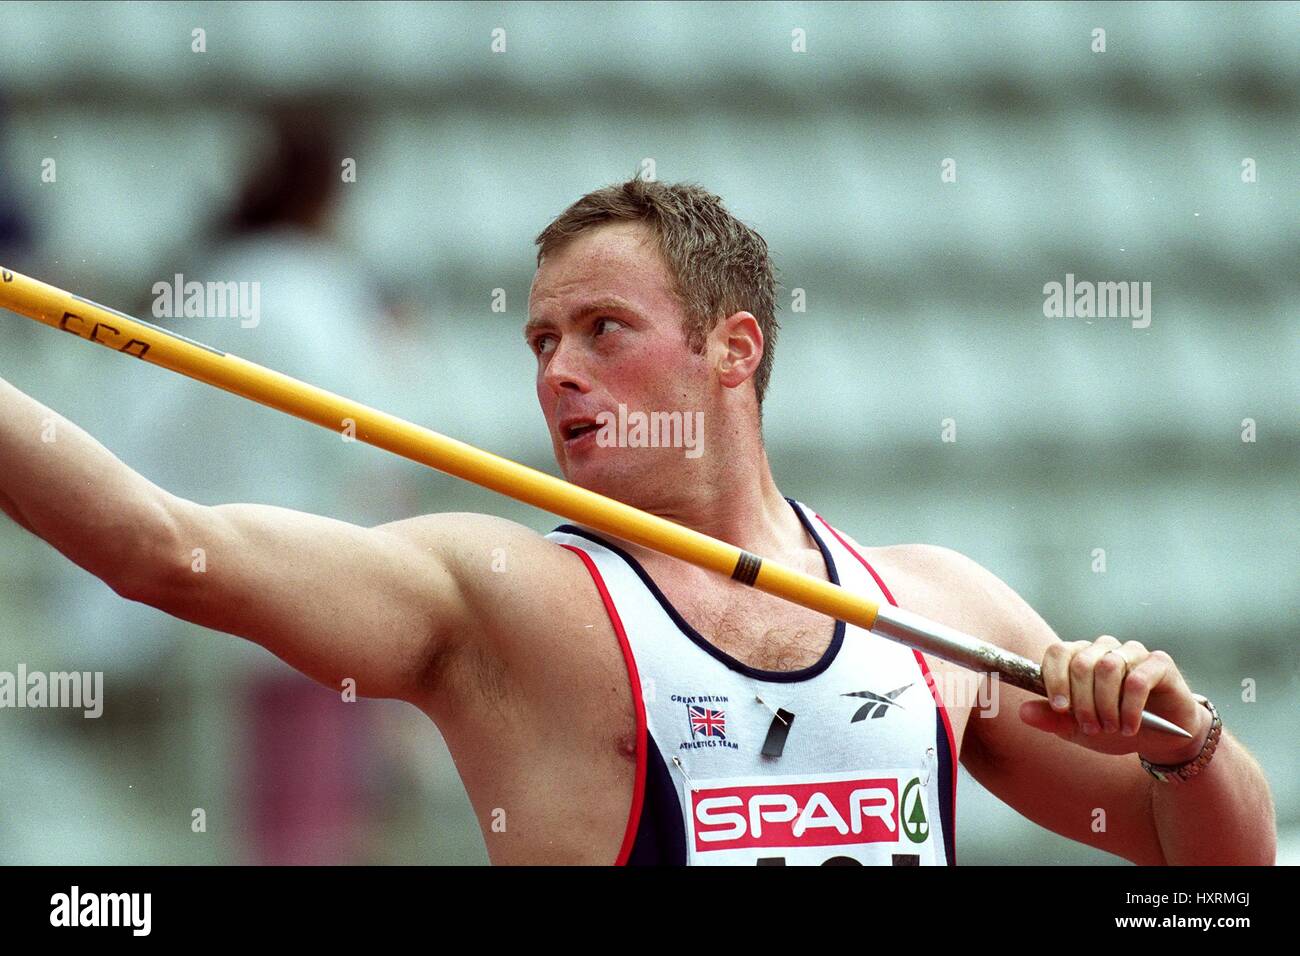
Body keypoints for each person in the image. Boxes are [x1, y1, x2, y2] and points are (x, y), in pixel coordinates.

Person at [0, 179, 1276, 865]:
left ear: (734, 349)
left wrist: (1180, 736)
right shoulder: (492, 594)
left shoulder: (930, 607)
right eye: (540, 340)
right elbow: (154, 546)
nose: (558, 371)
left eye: (603, 330)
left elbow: (1214, 872)